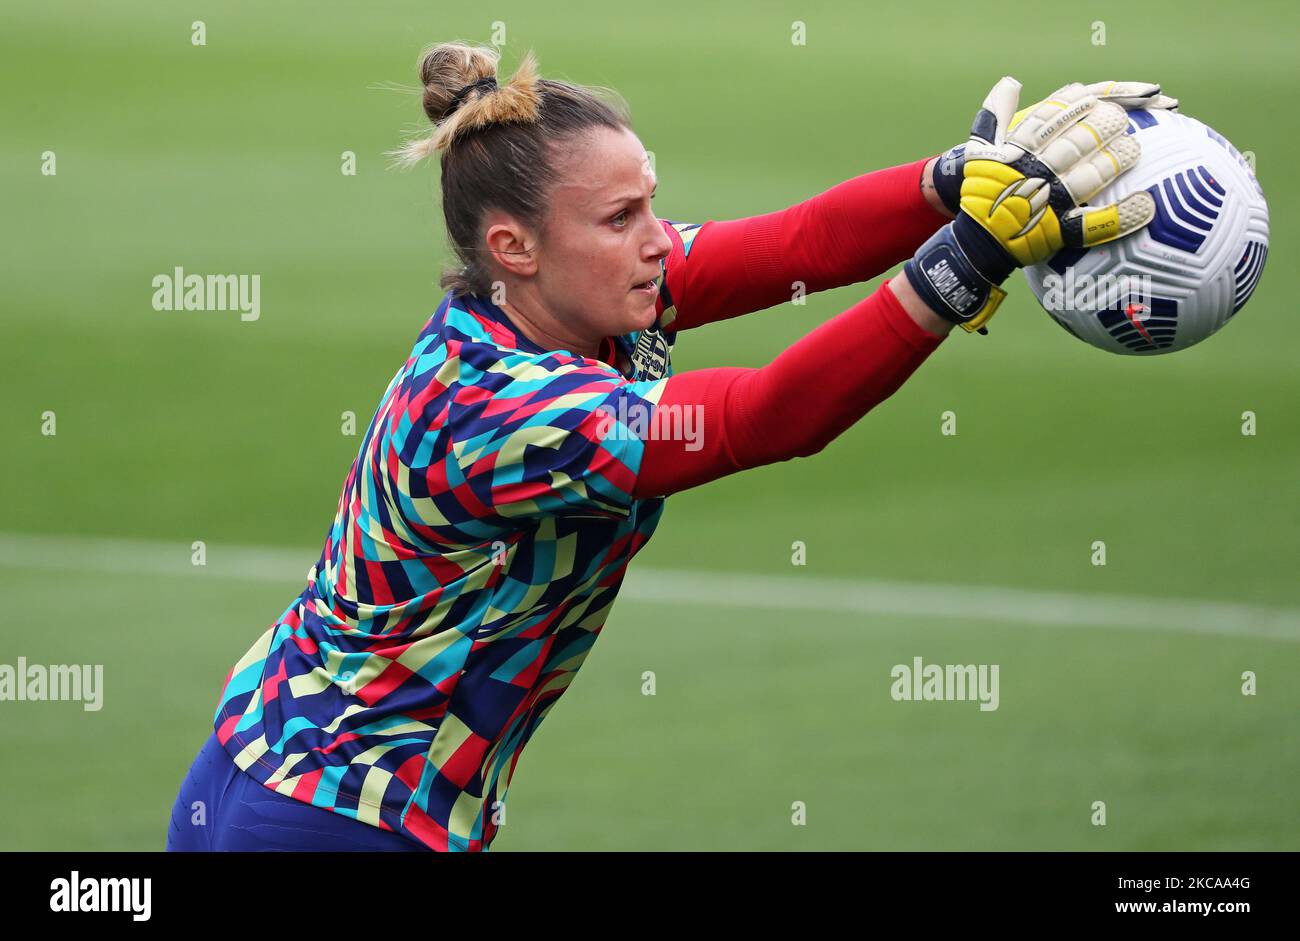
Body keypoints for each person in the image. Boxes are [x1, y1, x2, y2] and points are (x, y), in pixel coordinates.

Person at [166, 43, 1176, 851]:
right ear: (514, 247)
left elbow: (799, 245)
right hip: (337, 812)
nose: (657, 237)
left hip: (267, 757)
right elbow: (768, 417)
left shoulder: (579, 296)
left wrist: (946, 182)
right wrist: (961, 264)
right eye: (620, 216)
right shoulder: (496, 410)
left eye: (651, 200)